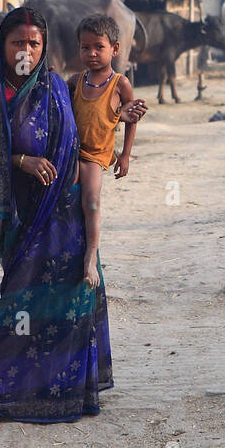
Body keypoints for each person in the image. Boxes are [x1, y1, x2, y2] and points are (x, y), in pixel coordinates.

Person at [0, 7, 117, 428]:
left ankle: (68, 394)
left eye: (34, 43)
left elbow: (80, 139)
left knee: (69, 303)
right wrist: (23, 160)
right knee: (18, 304)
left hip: (64, 213)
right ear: (4, 45)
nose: (26, 51)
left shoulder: (52, 85)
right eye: (18, 43)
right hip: (23, 215)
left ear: (44, 46)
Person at [71, 14, 145, 283]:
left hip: (95, 155)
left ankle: (90, 256)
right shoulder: (76, 81)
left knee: (91, 202)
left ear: (114, 49)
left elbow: (132, 118)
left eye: (98, 47)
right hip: (70, 152)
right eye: (85, 47)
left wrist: (125, 155)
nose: (91, 53)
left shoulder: (119, 83)